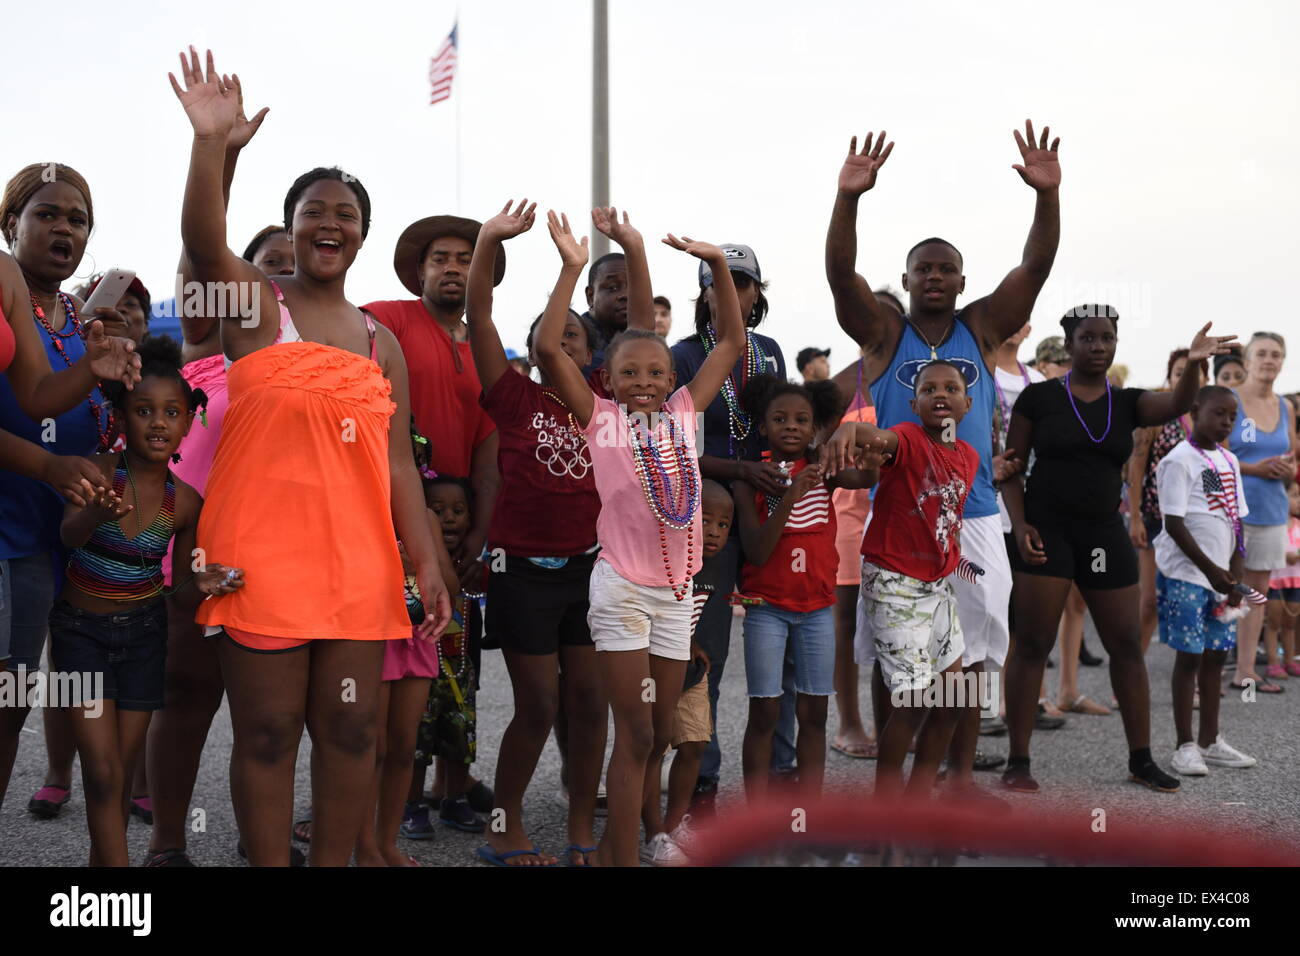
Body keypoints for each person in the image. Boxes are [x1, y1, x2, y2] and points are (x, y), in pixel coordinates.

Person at [172, 47, 452, 866]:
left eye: (347, 213)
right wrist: (213, 146)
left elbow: (400, 466)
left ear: (362, 234)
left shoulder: (381, 340)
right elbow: (198, 242)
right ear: (292, 227)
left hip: (357, 566)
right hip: (258, 556)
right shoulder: (255, 304)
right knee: (264, 733)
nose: (331, 223)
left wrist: (426, 562)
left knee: (352, 726)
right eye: (314, 210)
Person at [824, 121, 1062, 798]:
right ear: (905, 278)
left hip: (976, 517)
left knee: (969, 657)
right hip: (899, 521)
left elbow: (1035, 268)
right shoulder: (881, 333)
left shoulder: (981, 328)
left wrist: (1046, 197)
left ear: (962, 280)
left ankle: (957, 785)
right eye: (922, 267)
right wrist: (849, 199)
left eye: (945, 267)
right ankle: (890, 787)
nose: (934, 276)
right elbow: (841, 274)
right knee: (892, 657)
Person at [534, 209, 743, 867]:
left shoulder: (686, 412)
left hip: (676, 597)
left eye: (657, 371)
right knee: (637, 732)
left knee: (654, 735)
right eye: (632, 373)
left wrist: (715, 269)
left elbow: (731, 343)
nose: (647, 381)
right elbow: (546, 349)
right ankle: (619, 856)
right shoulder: (600, 420)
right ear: (611, 379)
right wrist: (571, 269)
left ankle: (611, 847)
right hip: (623, 592)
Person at [144, 75, 305, 866]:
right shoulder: (211, 334)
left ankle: (259, 843)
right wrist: (218, 153)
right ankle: (169, 843)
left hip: (280, 545)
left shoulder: (321, 341)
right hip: (196, 537)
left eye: (286, 265)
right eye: (261, 261)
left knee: (266, 716)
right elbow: (203, 246)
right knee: (186, 692)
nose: (272, 275)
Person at [1001, 305, 1235, 792]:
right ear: (1069, 345)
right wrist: (1020, 524)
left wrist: (1193, 363)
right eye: (1088, 338)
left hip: (1103, 534)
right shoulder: (1038, 399)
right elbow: (1012, 468)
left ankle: (1141, 759)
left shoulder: (1128, 402)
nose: (1098, 346)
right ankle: (1018, 762)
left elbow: (1177, 405)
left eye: (1107, 338)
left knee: (1126, 645)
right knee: (1031, 644)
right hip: (1047, 531)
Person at [467, 202, 627, 868]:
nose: (563, 350)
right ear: (537, 355)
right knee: (537, 704)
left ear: (594, 359)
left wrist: (629, 252)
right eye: (552, 342)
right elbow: (480, 318)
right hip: (521, 572)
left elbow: (635, 322)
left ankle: (581, 828)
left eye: (575, 342)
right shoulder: (513, 396)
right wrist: (490, 244)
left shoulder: (606, 402)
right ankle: (504, 826)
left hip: (589, 571)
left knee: (589, 703)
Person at [48, 336, 240, 866]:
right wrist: (95, 516)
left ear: (188, 423)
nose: (158, 422)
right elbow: (68, 537)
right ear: (122, 417)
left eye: (172, 412)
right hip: (79, 634)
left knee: (119, 770)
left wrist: (202, 584)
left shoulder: (187, 502)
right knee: (104, 771)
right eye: (144, 410)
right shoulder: (98, 473)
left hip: (144, 638)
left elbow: (178, 590)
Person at [1, 163, 143, 815]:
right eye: (47, 213)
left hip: (58, 542)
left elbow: (44, 400)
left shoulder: (71, 320)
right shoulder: (4, 286)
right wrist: (50, 467)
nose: (64, 226)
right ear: (11, 225)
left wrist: (99, 370)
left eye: (77, 218)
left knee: (17, 700)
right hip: (9, 539)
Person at [669, 241, 792, 813]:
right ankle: (703, 782)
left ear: (757, 293)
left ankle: (784, 780)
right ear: (703, 295)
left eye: (741, 283)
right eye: (718, 284)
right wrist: (741, 469)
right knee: (708, 651)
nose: (731, 293)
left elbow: (783, 433)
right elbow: (675, 445)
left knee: (786, 648)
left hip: (768, 514)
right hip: (709, 518)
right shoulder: (684, 356)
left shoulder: (769, 351)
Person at [822, 360, 978, 799]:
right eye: (929, 389)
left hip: (938, 587)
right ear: (915, 404)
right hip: (894, 582)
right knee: (912, 704)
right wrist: (846, 433)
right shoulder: (907, 439)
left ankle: (917, 801)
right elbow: (874, 438)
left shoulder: (968, 455)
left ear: (968, 404)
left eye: (951, 388)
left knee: (954, 698)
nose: (940, 395)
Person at [733, 374, 872, 803]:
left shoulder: (824, 473)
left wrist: (850, 439)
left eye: (802, 420)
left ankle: (806, 811)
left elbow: (866, 476)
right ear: (762, 426)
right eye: (779, 418)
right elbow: (756, 552)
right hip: (766, 609)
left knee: (815, 712)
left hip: (816, 610)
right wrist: (791, 494)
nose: (791, 426)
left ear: (815, 428)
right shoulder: (749, 480)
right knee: (766, 712)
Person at [363, 213, 502, 592]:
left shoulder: (490, 351)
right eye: (440, 259)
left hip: (457, 527)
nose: (453, 268)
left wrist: (477, 538)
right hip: (385, 514)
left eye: (465, 260)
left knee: (454, 647)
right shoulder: (387, 317)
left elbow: (488, 465)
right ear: (421, 273)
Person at [1154, 384, 1256, 776]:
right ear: (1195, 410)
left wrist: (1236, 572)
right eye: (1218, 413)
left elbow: (1235, 517)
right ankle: (1184, 745)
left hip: (1222, 577)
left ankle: (1211, 740)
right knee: (1190, 656)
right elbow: (1174, 523)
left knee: (1215, 655)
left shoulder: (1228, 460)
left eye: (1232, 416)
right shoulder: (1178, 461)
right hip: (1187, 575)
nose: (1227, 421)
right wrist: (1212, 572)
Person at [826, 287, 902, 760]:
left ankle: (893, 724)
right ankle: (850, 722)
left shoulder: (910, 378)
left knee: (897, 621)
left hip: (901, 517)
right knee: (847, 621)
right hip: (849, 516)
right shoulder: (842, 383)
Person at [642, 479, 732, 865]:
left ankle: (676, 823)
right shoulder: (667, 557)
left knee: (694, 744)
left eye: (723, 525)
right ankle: (653, 833)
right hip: (655, 666)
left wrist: (693, 645)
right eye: (705, 520)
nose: (713, 531)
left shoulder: (723, 563)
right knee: (652, 749)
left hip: (692, 669)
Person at [1227, 332, 1296, 694]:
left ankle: (1246, 670)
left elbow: (1291, 454)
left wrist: (1287, 470)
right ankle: (1200, 672)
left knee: (1256, 592)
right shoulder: (1230, 400)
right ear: (1248, 361)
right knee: (1221, 588)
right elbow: (1210, 453)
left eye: (1276, 355)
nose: (1269, 360)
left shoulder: (1285, 407)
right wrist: (1253, 469)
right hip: (1231, 510)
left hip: (1272, 510)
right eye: (1262, 354)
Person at [1127, 349, 1195, 659]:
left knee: (1193, 598)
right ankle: (1132, 672)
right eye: (1179, 372)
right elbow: (1137, 467)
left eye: (1192, 372)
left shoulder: (1210, 413)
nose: (1184, 377)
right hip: (1159, 519)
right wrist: (1136, 517)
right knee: (1150, 601)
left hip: (1198, 522)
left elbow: (1219, 470)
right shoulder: (1157, 412)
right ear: (1169, 377)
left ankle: (1192, 679)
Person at [1264, 484, 1300, 680]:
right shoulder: (1274, 526)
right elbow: (1268, 549)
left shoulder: (1298, 525)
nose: (1298, 500)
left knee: (1290, 624)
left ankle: (1289, 660)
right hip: (1276, 581)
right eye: (1294, 495)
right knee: (1273, 623)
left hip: (1295, 581)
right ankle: (1272, 662)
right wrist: (1285, 555)